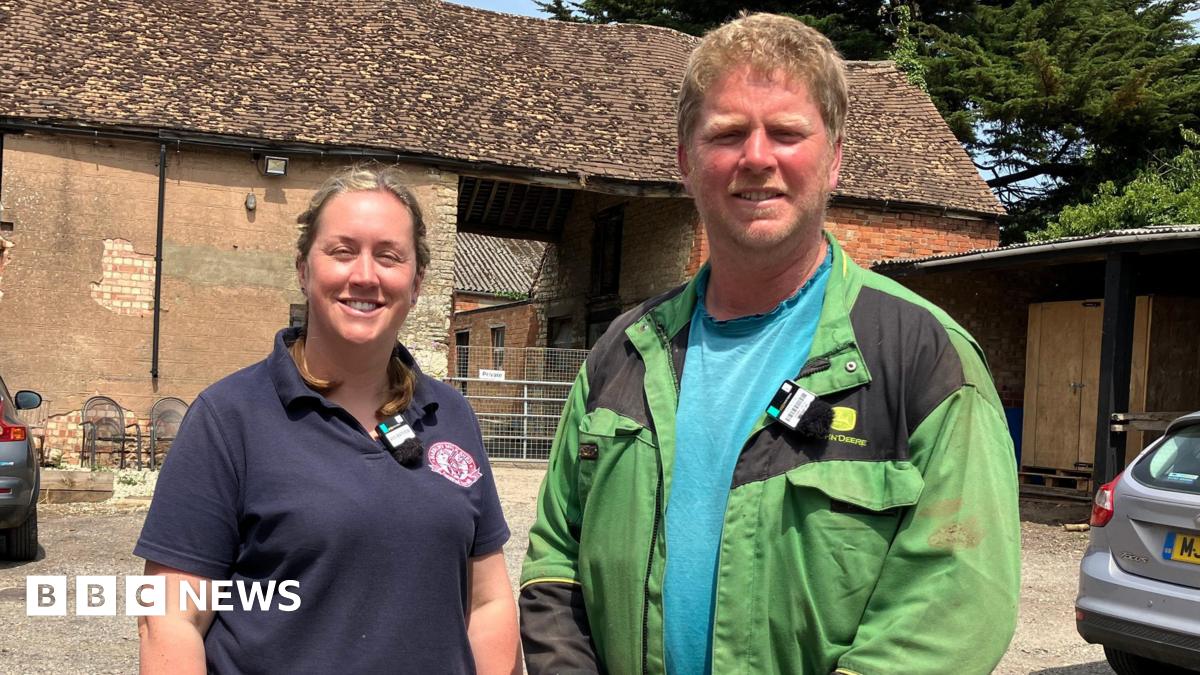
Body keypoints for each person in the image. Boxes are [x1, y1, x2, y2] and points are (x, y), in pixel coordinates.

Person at [520, 13, 1020, 675]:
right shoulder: (623, 351)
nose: (758, 157)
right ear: (685, 161)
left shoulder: (921, 358)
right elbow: (556, 555)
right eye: (727, 134)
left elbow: (955, 602)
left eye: (787, 132)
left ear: (835, 157)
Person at [135, 164, 521, 675]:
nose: (365, 275)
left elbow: (489, 601)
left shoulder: (450, 415)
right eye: (342, 251)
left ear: (417, 281)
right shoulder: (230, 419)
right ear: (303, 268)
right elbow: (167, 616)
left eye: (389, 256)